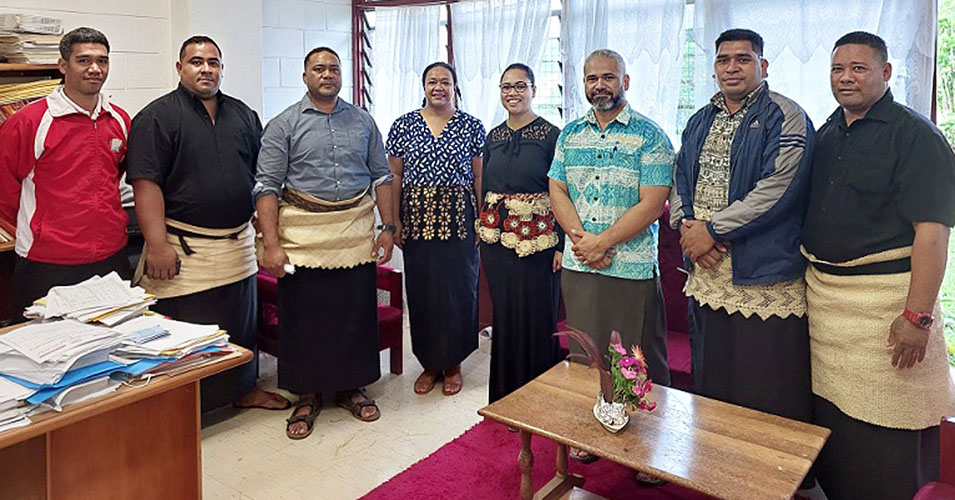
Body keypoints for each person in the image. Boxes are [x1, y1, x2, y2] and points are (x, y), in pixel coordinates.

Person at [801, 31, 955, 500]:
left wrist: (916, 317)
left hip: (884, 303)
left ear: (885, 73)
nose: (846, 78)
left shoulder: (916, 135)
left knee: (890, 428)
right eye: (837, 69)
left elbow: (933, 233)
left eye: (859, 68)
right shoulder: (828, 131)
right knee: (837, 425)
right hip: (827, 303)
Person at [669, 28, 818, 494]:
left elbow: (779, 188)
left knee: (766, 388)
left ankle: (773, 480)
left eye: (743, 59)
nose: (731, 67)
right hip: (708, 272)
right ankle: (718, 470)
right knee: (715, 380)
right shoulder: (699, 119)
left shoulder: (785, 116)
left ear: (763, 66)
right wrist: (686, 227)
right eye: (723, 60)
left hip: (763, 276)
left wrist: (712, 230)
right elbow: (679, 178)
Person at [127, 36, 289, 413]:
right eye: (196, 62)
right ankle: (186, 408)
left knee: (239, 324)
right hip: (183, 245)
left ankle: (242, 390)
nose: (206, 69)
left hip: (237, 243)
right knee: (189, 332)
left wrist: (266, 231)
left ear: (221, 68)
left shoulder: (244, 115)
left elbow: (261, 176)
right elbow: (145, 183)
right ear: (180, 68)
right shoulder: (157, 116)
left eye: (213, 62)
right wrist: (157, 244)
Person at [256, 46, 395, 439]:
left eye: (334, 68)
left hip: (353, 231)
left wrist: (388, 228)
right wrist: (271, 243)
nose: (328, 74)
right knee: (305, 317)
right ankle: (307, 393)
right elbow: (266, 186)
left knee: (355, 312)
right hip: (302, 236)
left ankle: (353, 387)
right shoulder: (283, 124)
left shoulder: (364, 121)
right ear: (305, 76)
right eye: (319, 69)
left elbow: (381, 176)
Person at [548, 49, 674, 470]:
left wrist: (603, 242)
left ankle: (648, 447)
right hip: (580, 264)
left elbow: (654, 202)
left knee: (635, 356)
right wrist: (582, 241)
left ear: (625, 81)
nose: (599, 85)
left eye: (608, 77)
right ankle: (593, 430)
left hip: (631, 265)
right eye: (591, 79)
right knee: (587, 352)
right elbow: (558, 190)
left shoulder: (650, 135)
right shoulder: (569, 135)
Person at [0, 27, 131, 316]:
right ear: (63, 65)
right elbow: (5, 195)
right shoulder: (29, 122)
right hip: (47, 264)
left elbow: (116, 175)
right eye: (83, 60)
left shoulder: (119, 120)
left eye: (102, 60)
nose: (95, 68)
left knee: (112, 349)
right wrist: (43, 231)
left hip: (111, 257)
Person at [387, 62, 485, 397]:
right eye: (432, 81)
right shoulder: (404, 125)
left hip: (459, 219)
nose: (438, 87)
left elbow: (478, 177)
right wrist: (394, 219)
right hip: (416, 220)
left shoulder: (471, 126)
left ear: (455, 86)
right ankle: (429, 363)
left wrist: (482, 217)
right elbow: (395, 175)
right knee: (423, 291)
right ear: (424, 86)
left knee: (459, 292)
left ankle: (454, 363)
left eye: (445, 81)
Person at [479, 63, 562, 403]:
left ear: (533, 90)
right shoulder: (493, 136)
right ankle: (507, 395)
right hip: (499, 241)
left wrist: (563, 244)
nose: (512, 93)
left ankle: (539, 397)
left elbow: (562, 192)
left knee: (537, 314)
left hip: (541, 240)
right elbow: (486, 187)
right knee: (507, 314)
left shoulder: (551, 134)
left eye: (520, 86)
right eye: (506, 87)